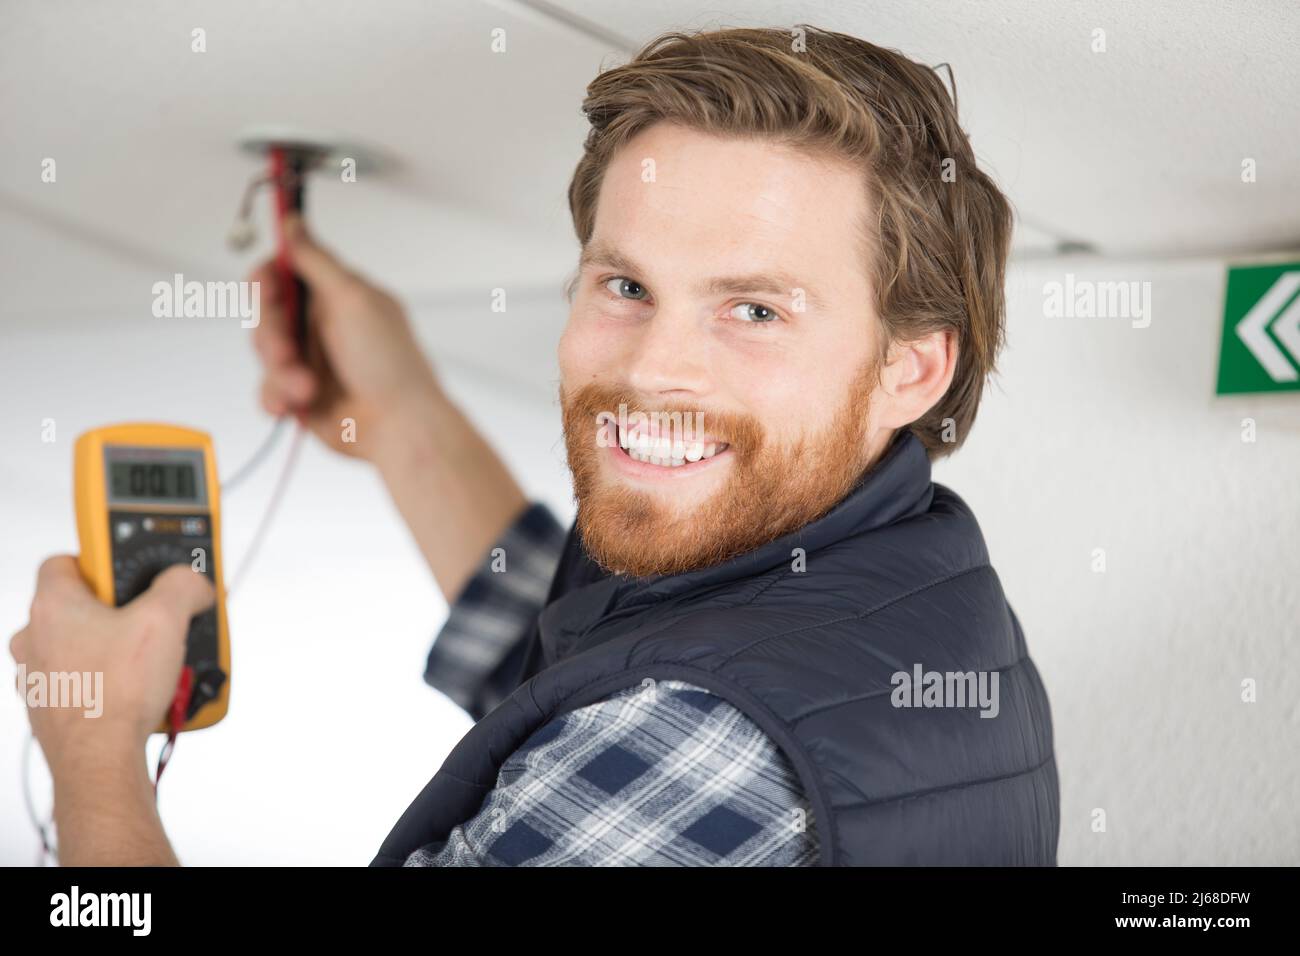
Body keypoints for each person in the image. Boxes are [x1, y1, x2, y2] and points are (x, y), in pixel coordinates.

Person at [11, 26, 1058, 866]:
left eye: (754, 310)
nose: (653, 368)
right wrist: (401, 416)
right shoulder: (897, 583)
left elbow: (652, 720)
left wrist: (93, 746)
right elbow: (578, 656)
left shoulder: (703, 740)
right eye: (627, 286)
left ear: (910, 368)